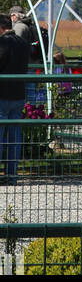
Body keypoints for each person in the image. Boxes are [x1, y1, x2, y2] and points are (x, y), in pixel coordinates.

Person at [0, 13, 30, 184]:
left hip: (2, 94)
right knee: (14, 136)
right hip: (19, 93)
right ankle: (12, 174)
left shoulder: (3, 42)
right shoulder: (23, 43)